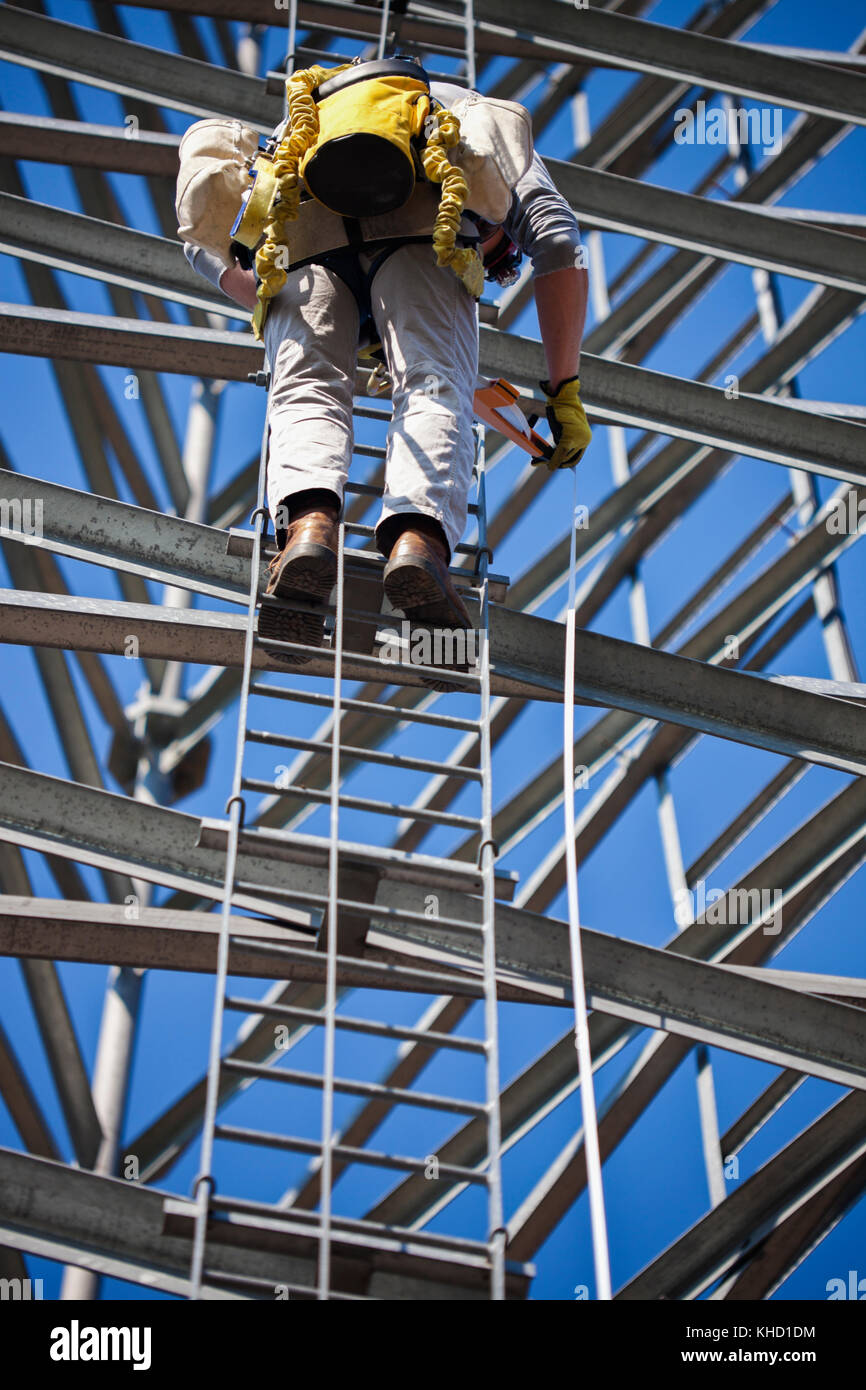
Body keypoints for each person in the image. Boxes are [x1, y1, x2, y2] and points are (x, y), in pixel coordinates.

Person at [183, 75, 592, 657]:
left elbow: (202, 246)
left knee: (307, 391)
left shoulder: (305, 122)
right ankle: (418, 545)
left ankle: (308, 530)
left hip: (301, 241)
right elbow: (557, 239)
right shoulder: (467, 114)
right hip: (425, 233)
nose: (497, 258)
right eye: (498, 252)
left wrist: (302, 310)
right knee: (432, 385)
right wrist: (564, 386)